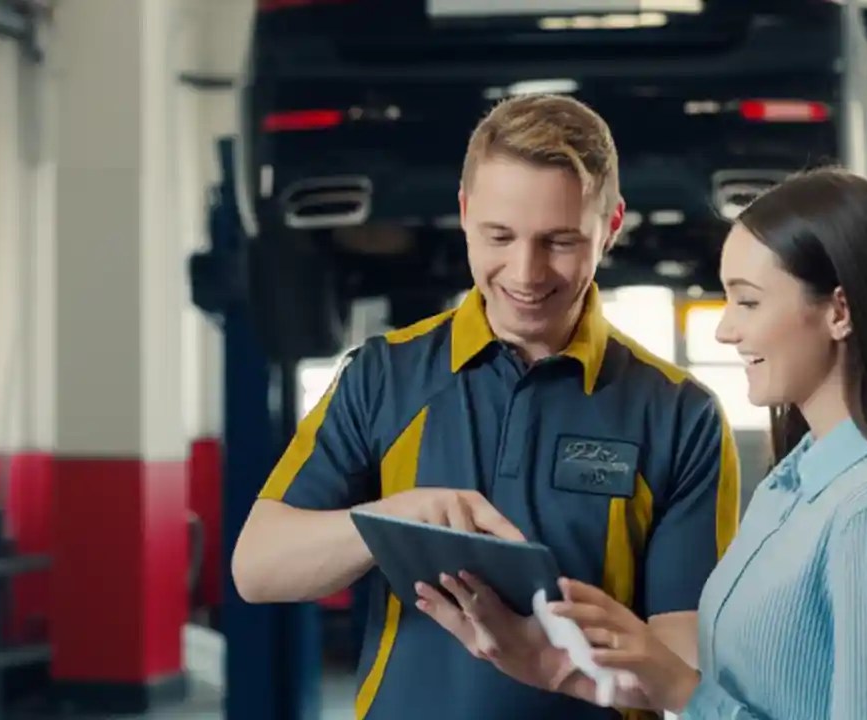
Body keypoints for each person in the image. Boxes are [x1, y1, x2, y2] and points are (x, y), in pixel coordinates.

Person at [231, 93, 742, 719]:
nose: (525, 272)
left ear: (610, 228)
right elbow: (257, 570)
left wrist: (563, 659)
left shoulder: (680, 416)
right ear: (466, 214)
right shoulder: (382, 376)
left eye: (559, 241)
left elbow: (684, 663)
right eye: (500, 236)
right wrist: (395, 518)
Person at [430, 167, 867, 718]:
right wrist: (555, 666)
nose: (725, 328)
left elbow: (709, 698)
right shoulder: (796, 482)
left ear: (839, 311)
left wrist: (683, 686)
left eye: (749, 301)